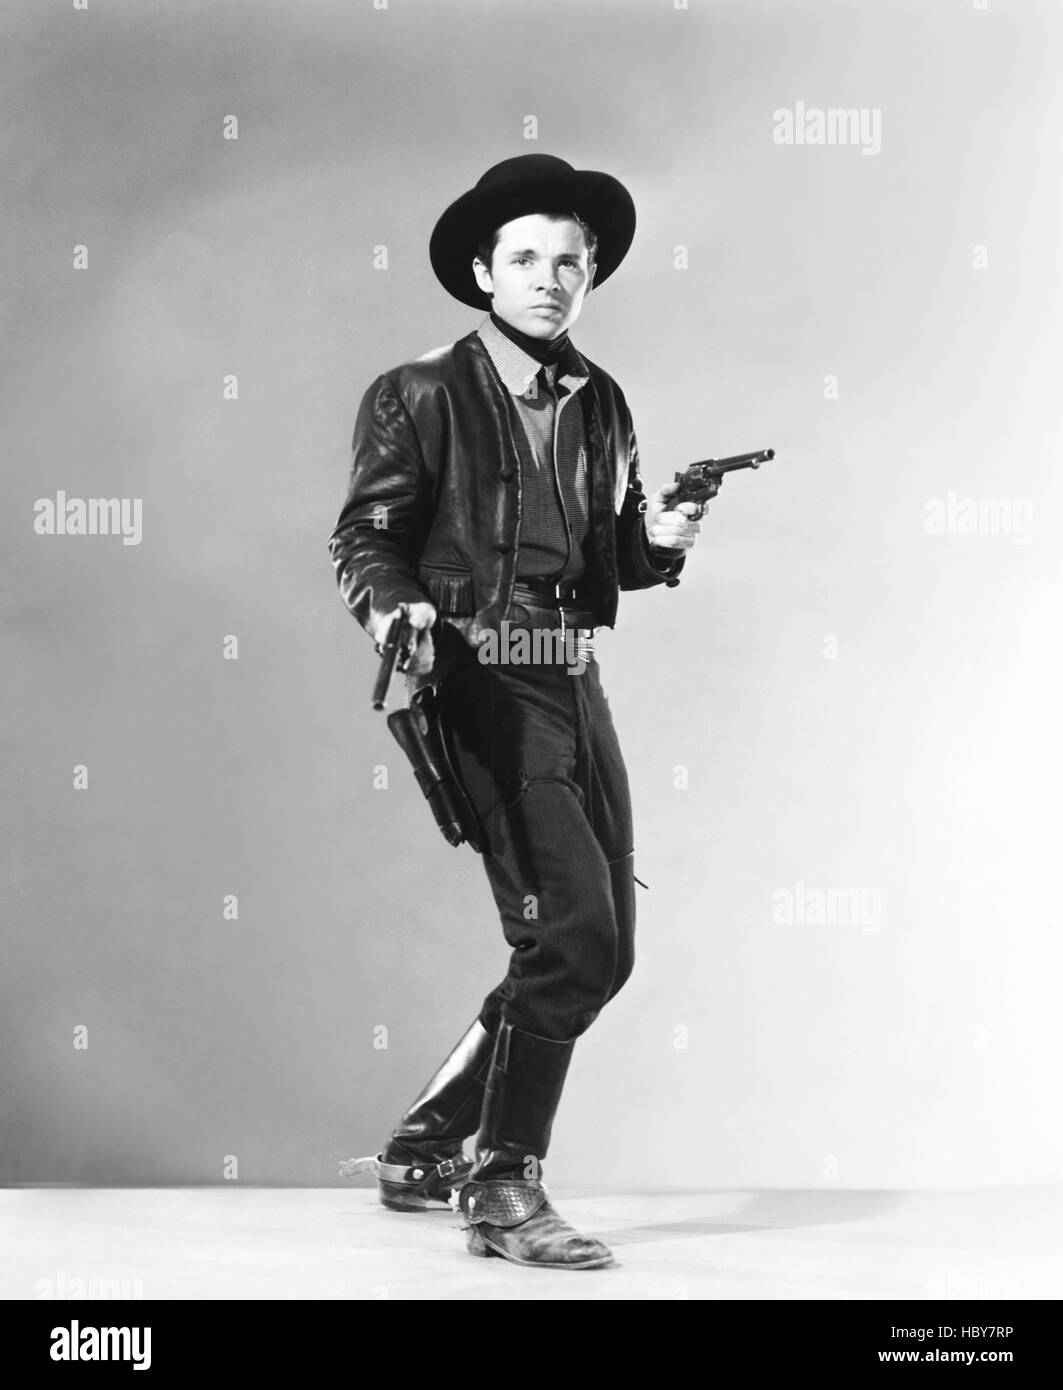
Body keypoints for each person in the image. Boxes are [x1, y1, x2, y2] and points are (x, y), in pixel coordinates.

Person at [328, 154, 703, 1270]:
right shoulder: (420, 391)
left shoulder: (604, 401)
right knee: (572, 935)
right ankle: (500, 1184)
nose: (549, 278)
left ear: (589, 280)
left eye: (569, 263)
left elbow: (608, 559)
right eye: (527, 258)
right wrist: (396, 614)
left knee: (605, 945)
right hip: (479, 675)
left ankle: (425, 1141)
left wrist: (660, 546)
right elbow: (365, 539)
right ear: (484, 269)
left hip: (571, 674)